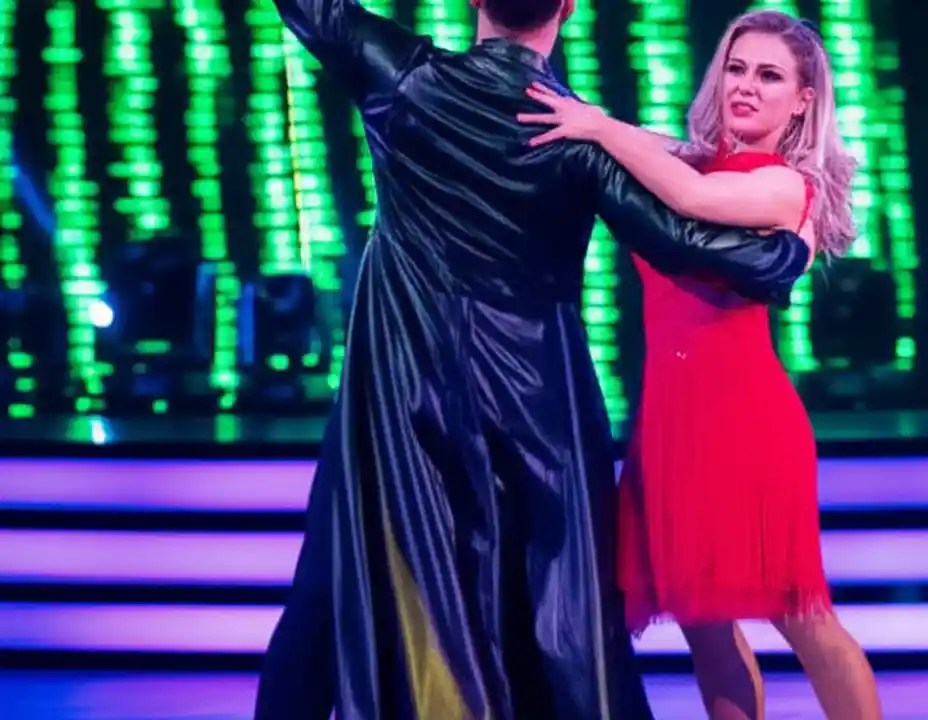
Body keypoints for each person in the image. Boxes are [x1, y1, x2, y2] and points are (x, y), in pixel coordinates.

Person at [257, 1, 812, 719]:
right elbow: (685, 241)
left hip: (400, 386)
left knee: (331, 591)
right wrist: (787, 248)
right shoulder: (575, 133)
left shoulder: (406, 77)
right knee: (554, 607)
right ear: (571, 8)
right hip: (536, 400)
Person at [517, 11, 883, 720]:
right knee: (701, 621)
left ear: (803, 99)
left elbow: (694, 202)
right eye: (737, 68)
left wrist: (594, 125)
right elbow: (658, 159)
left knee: (799, 613)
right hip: (668, 422)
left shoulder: (785, 185)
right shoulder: (683, 154)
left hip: (746, 422)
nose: (746, 86)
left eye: (769, 75)